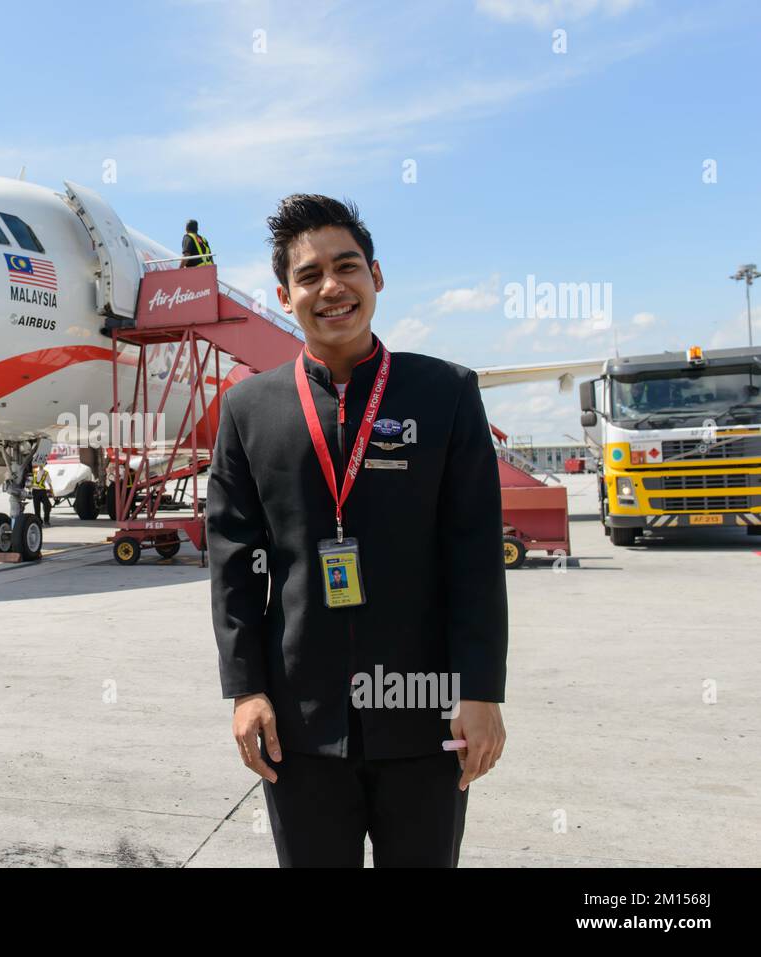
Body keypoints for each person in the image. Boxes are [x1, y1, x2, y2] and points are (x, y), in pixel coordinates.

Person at [207, 194, 508, 867]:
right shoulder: (249, 410)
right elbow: (232, 562)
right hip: (299, 727)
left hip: (427, 719)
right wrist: (247, 689)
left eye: (347, 267)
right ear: (285, 296)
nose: (331, 287)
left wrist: (481, 688)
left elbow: (476, 555)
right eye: (309, 276)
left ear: (377, 276)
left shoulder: (445, 393)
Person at [31, 460, 53, 526]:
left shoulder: (46, 473)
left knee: (48, 505)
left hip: (42, 491)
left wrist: (52, 493)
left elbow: (49, 483)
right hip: (35, 491)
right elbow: (30, 481)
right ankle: (39, 521)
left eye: (42, 463)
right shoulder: (34, 471)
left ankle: (46, 520)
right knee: (37, 508)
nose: (41, 465)